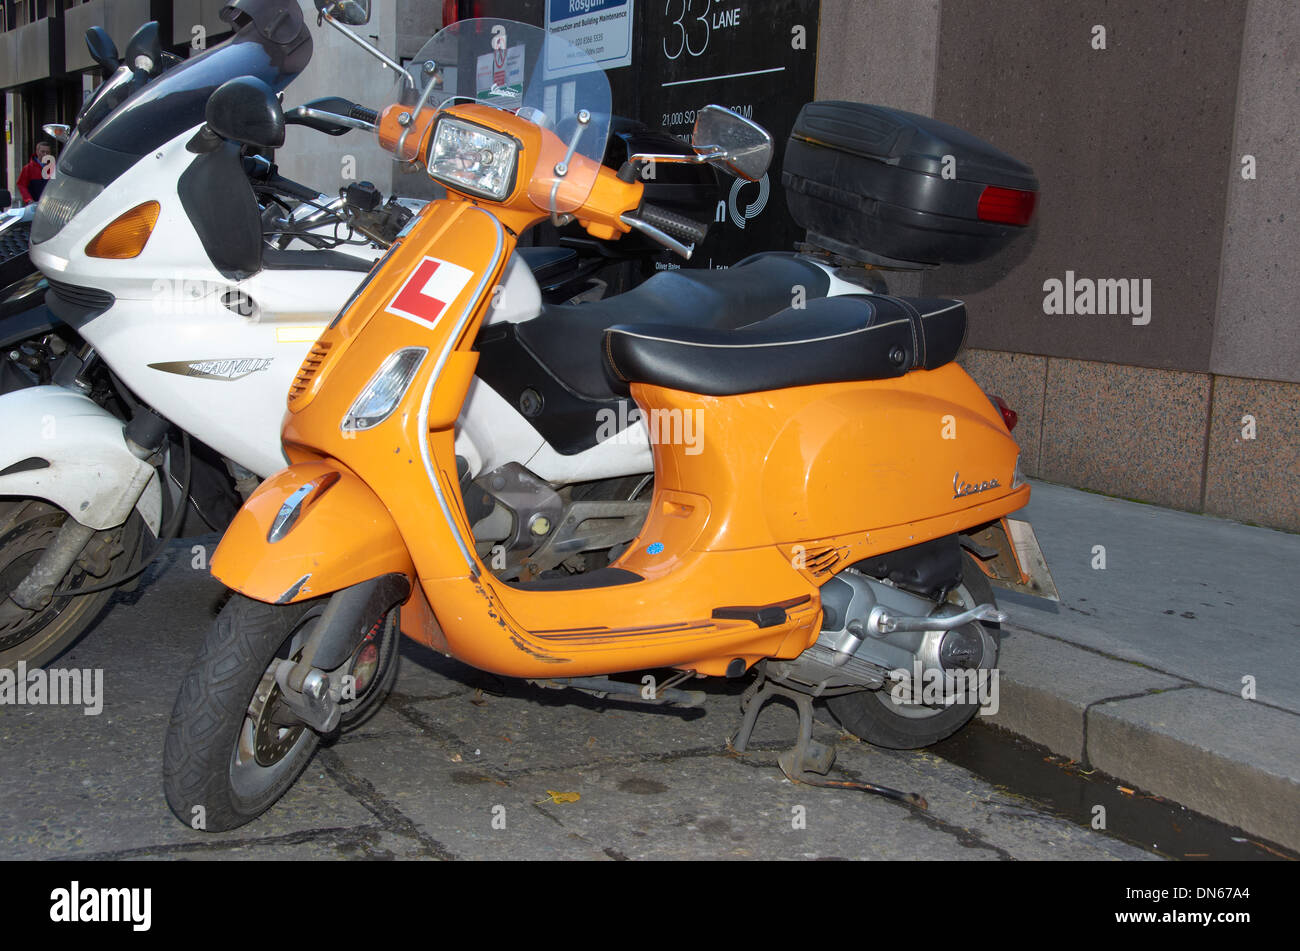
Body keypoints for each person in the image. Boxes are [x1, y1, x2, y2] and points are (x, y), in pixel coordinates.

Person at [16, 141, 54, 205]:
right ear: (37, 152)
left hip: (50, 205)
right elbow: (21, 185)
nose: (45, 154)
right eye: (42, 152)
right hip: (34, 204)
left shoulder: (54, 168)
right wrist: (28, 199)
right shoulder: (28, 168)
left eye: (47, 152)